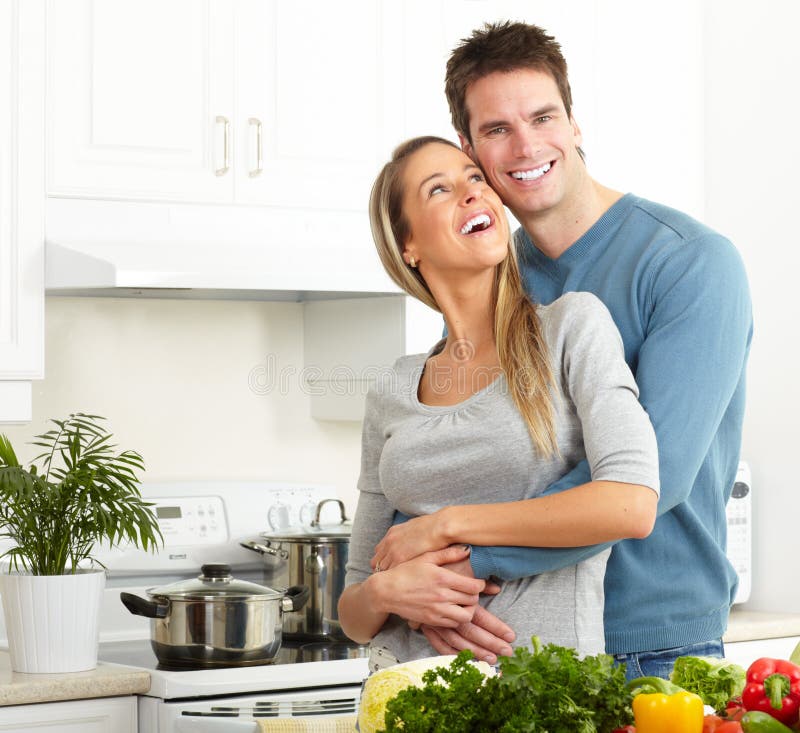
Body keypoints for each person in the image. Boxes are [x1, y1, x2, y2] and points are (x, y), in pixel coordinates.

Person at [372, 21, 753, 680]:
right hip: (522, 643)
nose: (525, 145)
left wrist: (456, 556)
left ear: (574, 124)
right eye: (496, 130)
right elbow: (463, 448)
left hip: (651, 644)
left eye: (543, 117)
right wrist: (403, 584)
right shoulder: (495, 271)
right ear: (471, 151)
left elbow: (646, 481)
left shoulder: (690, 263)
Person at [338, 136, 660, 669]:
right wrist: (387, 594)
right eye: (439, 189)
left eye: (475, 178)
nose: (470, 193)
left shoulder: (571, 328)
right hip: (406, 694)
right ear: (408, 245)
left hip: (543, 694)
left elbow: (630, 503)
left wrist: (444, 525)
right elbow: (352, 610)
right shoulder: (392, 388)